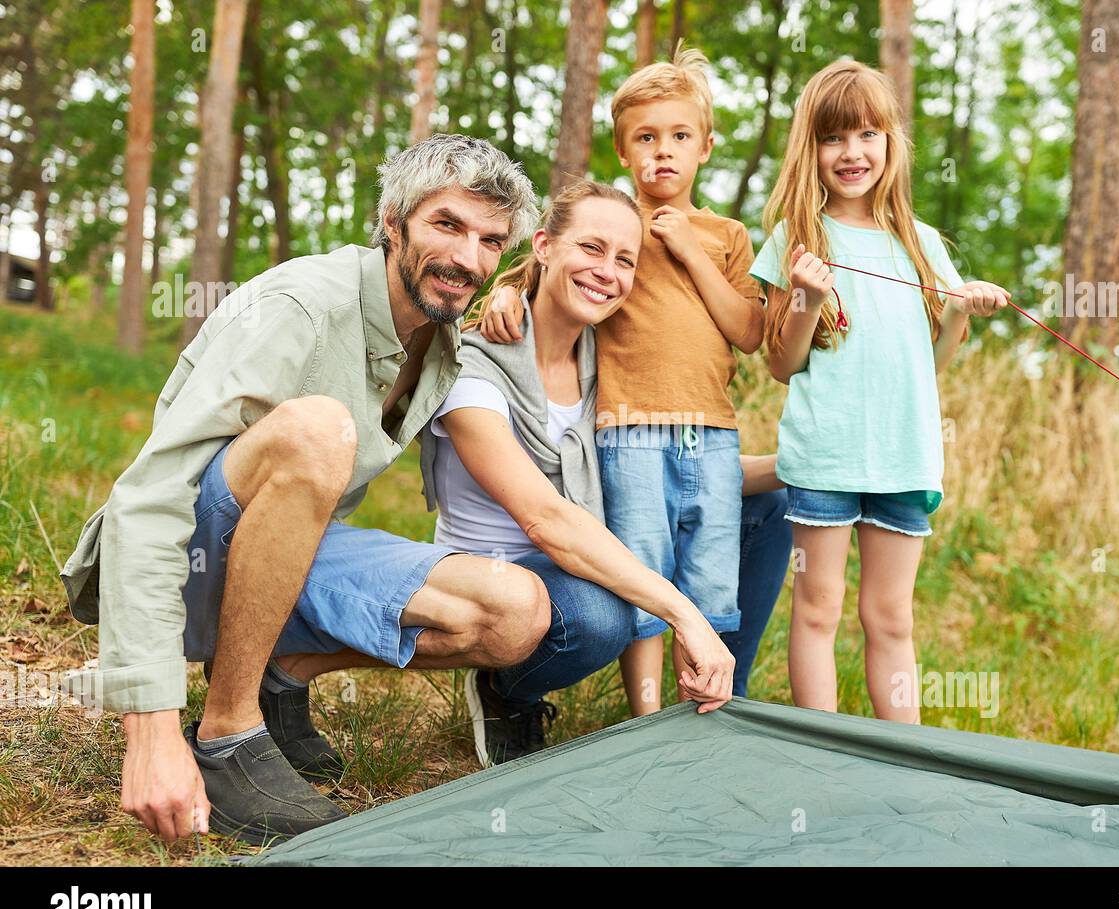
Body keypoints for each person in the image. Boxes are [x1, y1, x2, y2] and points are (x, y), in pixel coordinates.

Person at [59, 134, 562, 845]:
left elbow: (562, 286)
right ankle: (226, 734)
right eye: (446, 225)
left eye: (490, 241)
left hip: (280, 561)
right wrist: (148, 729)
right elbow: (148, 498)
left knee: (514, 612)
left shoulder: (443, 338)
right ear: (393, 223)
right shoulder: (303, 304)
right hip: (183, 563)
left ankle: (276, 673)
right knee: (320, 430)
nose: (468, 258)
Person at [479, 45, 767, 717]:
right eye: (645, 138)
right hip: (629, 428)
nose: (661, 152)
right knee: (644, 574)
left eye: (678, 137)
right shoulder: (617, 224)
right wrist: (502, 293)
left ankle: (705, 707)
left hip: (715, 434)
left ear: (705, 148)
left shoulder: (726, 235)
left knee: (709, 580)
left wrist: (690, 251)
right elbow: (544, 265)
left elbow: (749, 332)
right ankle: (645, 717)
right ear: (623, 149)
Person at [423, 179, 741, 766]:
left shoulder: (608, 364)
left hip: (574, 561)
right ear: (543, 246)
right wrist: (684, 616)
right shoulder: (472, 365)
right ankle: (506, 686)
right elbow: (546, 521)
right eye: (591, 248)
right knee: (602, 616)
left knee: (760, 511)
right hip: (492, 578)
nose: (607, 271)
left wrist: (799, 476)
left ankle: (720, 695)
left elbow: (670, 471)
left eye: (625, 259)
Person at [749, 61, 1010, 719]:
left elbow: (929, 364)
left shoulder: (918, 244)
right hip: (826, 454)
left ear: (892, 142)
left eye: (868, 134)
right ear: (811, 149)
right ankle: (824, 748)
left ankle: (904, 754)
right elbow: (782, 363)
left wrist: (958, 312)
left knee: (892, 616)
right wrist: (808, 296)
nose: (852, 152)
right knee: (818, 608)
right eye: (834, 138)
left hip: (901, 454)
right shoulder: (795, 239)